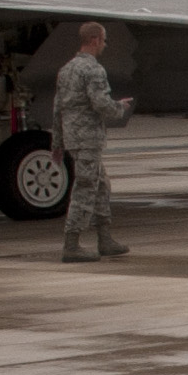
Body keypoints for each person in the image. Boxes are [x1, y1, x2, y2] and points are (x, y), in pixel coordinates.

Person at [50, 21, 134, 263]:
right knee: (85, 187)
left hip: (74, 138)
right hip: (88, 138)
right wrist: (120, 108)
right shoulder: (93, 70)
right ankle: (72, 244)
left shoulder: (66, 70)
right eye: (104, 41)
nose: (105, 46)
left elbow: (57, 108)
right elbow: (100, 103)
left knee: (100, 185)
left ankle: (105, 238)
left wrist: (57, 142)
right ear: (95, 39)